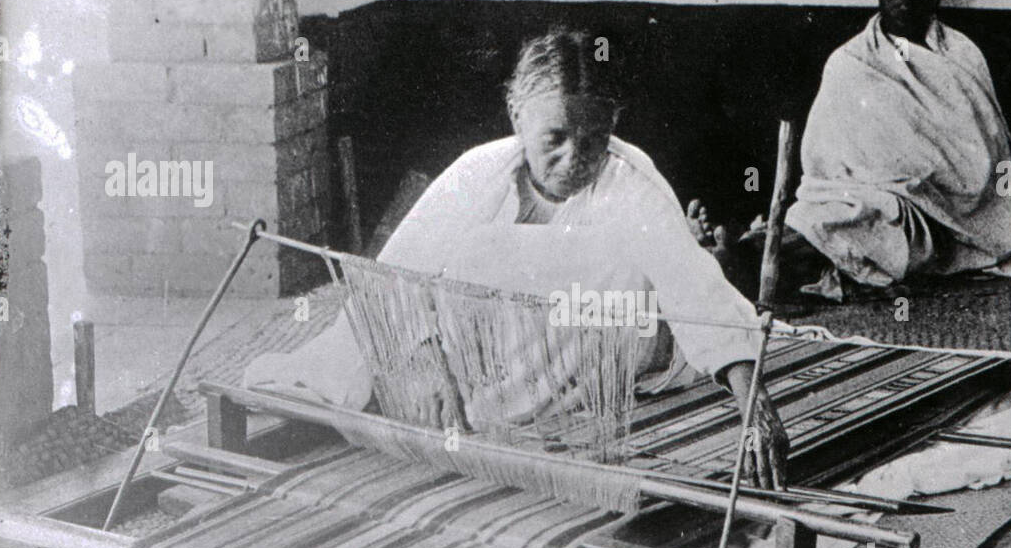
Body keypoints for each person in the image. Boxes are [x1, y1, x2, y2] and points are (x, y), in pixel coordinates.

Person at [246, 29, 790, 488]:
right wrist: (425, 358)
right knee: (462, 266)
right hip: (499, 352)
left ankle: (485, 409)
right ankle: (466, 396)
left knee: (617, 267)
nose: (574, 158)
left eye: (594, 138)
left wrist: (754, 408)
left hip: (613, 341)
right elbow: (394, 278)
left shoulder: (630, 180)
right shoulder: (474, 173)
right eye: (554, 137)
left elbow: (690, 284)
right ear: (516, 115)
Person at [689, 0, 1011, 302]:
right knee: (825, 218)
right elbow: (823, 165)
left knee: (878, 226)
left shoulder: (961, 57)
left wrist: (913, 182)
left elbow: (983, 153)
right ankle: (746, 255)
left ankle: (747, 262)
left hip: (937, 214)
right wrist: (872, 184)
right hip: (849, 195)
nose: (905, 3)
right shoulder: (850, 63)